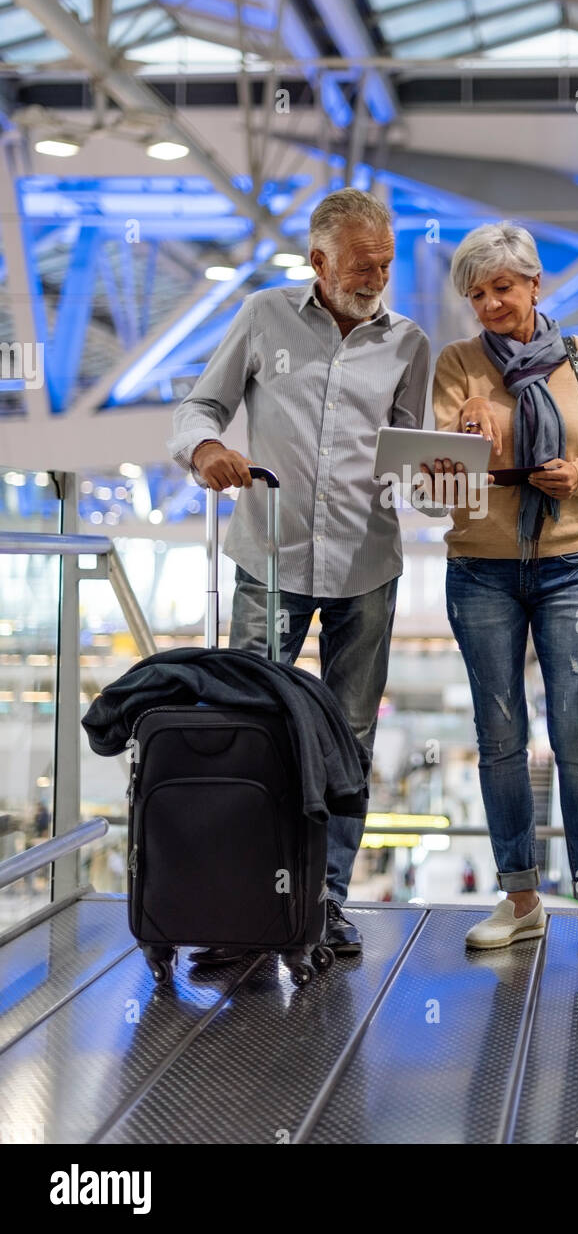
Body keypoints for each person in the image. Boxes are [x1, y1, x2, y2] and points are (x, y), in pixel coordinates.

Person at [169, 189, 433, 960]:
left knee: (349, 738)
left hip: (368, 563)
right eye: (361, 265)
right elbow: (198, 406)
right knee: (247, 729)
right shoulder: (262, 317)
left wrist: (444, 477)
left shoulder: (408, 343)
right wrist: (204, 450)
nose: (375, 277)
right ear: (317, 260)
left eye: (384, 265)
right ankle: (240, 899)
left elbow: (413, 458)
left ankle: (325, 903)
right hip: (270, 558)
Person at [430, 222, 578, 959]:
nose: (490, 303)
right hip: (479, 566)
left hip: (568, 563)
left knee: (577, 736)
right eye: (477, 293)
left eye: (501, 288)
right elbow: (432, 481)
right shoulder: (455, 364)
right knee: (499, 739)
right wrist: (460, 452)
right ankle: (520, 898)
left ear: (533, 284)